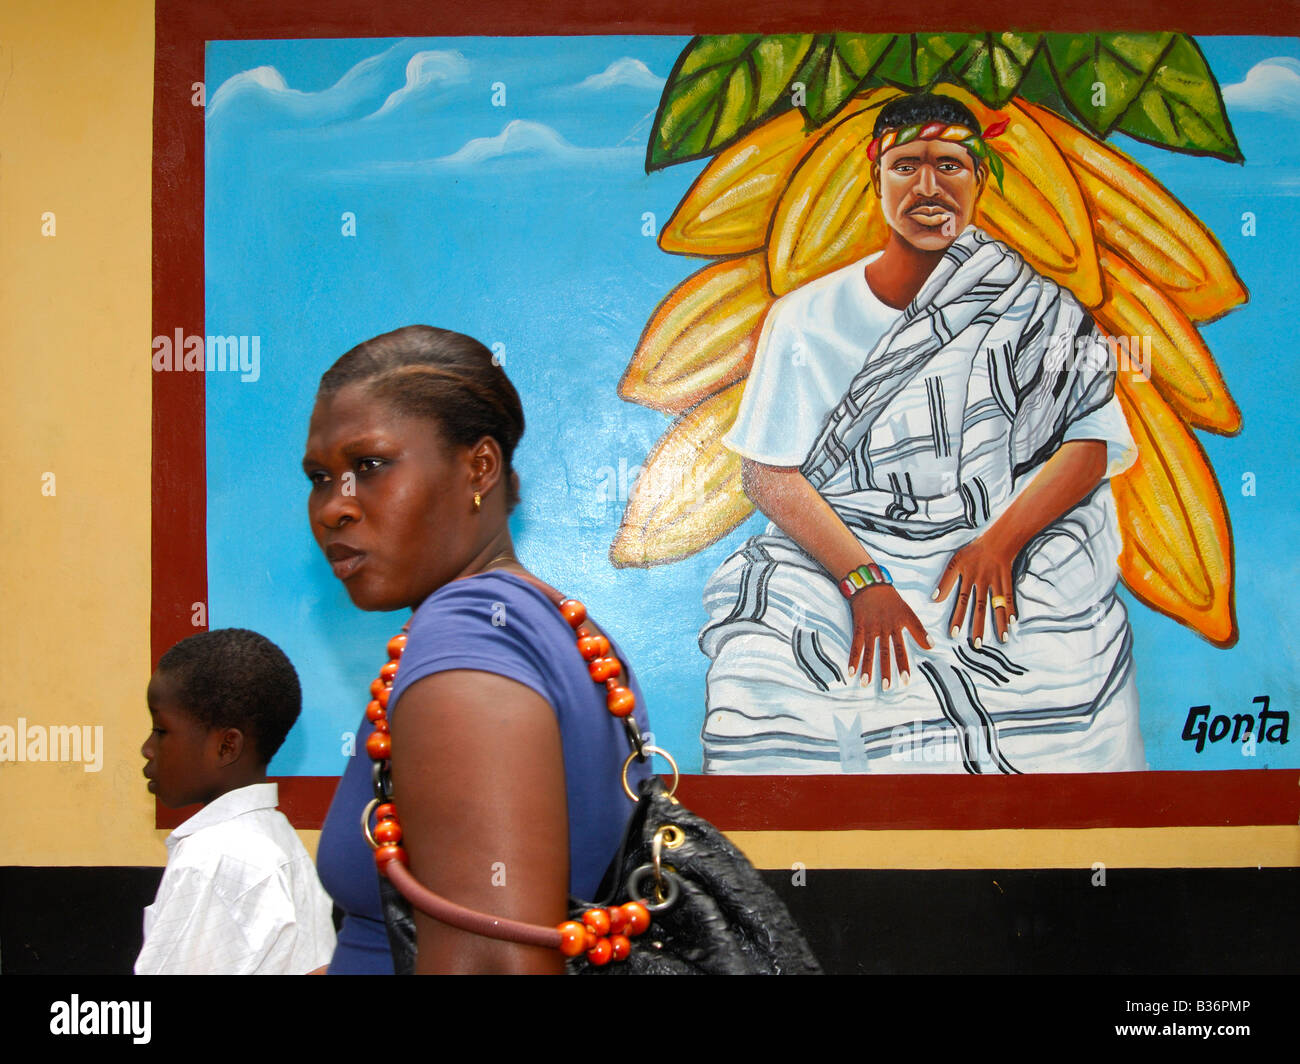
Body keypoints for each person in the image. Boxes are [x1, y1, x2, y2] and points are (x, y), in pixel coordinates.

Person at [700, 92, 1145, 775]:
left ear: (981, 180)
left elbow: (1087, 444)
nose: (929, 188)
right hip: (847, 550)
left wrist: (998, 544)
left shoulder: (1043, 309)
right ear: (875, 179)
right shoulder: (805, 318)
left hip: (998, 542)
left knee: (1062, 660)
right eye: (907, 165)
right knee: (763, 673)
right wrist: (865, 583)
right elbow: (769, 474)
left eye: (951, 165)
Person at [307, 325, 652, 974]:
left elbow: (495, 961)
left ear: (480, 467)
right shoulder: (560, 626)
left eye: (370, 466)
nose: (333, 507)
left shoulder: (465, 633)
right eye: (320, 477)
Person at [136, 628, 336, 974]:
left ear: (227, 746)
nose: (148, 748)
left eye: (161, 730)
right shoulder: (276, 838)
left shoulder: (213, 859)